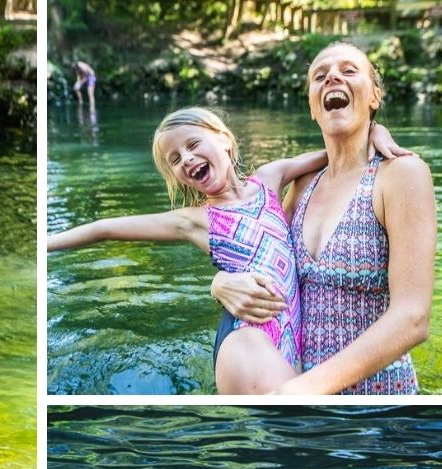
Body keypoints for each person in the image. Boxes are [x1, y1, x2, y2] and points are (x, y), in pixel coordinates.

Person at [48, 107, 405, 393]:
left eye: (192, 145)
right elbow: (106, 228)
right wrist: (45, 245)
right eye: (175, 159)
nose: (186, 159)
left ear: (225, 142)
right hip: (250, 337)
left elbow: (337, 154)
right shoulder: (196, 220)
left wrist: (374, 132)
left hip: (292, 337)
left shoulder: (270, 178)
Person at [211, 42, 435, 394]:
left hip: (373, 403)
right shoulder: (302, 187)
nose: (332, 76)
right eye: (320, 75)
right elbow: (264, 263)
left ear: (375, 96)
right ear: (314, 107)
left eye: (349, 71)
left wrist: (302, 391)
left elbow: (413, 319)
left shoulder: (400, 174)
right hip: (294, 392)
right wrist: (221, 284)